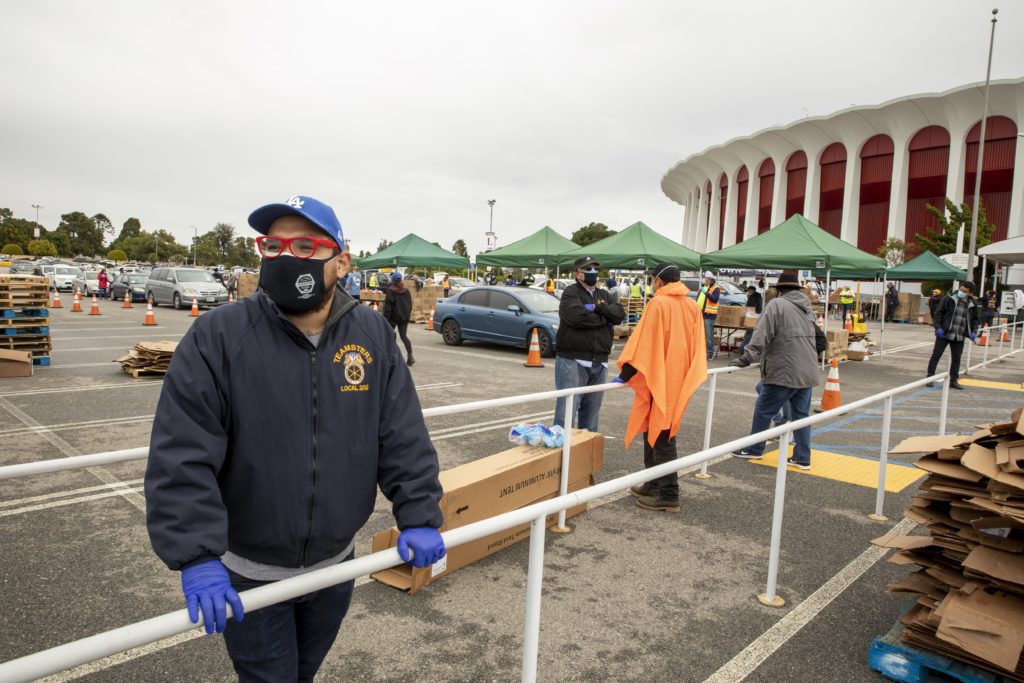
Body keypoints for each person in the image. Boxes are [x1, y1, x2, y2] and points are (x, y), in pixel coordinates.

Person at [144, 194, 444, 681]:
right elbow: (182, 452)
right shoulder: (218, 336)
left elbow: (401, 434)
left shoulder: (371, 335)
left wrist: (420, 514)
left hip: (334, 567)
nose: (286, 257)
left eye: (305, 246)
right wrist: (196, 555)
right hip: (251, 574)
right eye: (274, 245)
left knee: (303, 673)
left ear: (341, 262)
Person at [612, 263, 707, 512]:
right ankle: (654, 482)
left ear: (659, 281)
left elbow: (643, 343)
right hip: (678, 377)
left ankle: (668, 492)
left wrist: (625, 374)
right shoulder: (691, 305)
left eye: (653, 280)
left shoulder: (658, 304)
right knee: (654, 429)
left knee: (662, 434)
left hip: (660, 377)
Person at [728, 270, 820, 470]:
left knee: (764, 410)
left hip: (784, 369)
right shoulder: (807, 307)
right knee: (801, 416)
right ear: (796, 289)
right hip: (807, 369)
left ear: (779, 290)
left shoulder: (776, 305)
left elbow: (761, 333)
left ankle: (754, 448)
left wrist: (747, 357)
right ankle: (802, 457)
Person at [553, 255, 626, 432]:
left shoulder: (604, 295)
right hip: (573, 360)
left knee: (591, 415)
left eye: (595, 268)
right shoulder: (571, 293)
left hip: (599, 361)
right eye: (588, 269)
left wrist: (598, 308)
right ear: (578, 274)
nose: (593, 272)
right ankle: (561, 455)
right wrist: (605, 319)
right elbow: (577, 318)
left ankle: (585, 455)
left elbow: (618, 314)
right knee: (566, 414)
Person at [926, 281, 980, 391]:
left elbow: (975, 319)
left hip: (959, 335)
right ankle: (930, 378)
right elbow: (938, 314)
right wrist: (938, 328)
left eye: (965, 291)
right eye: (961, 289)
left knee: (957, 358)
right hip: (944, 333)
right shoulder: (949, 299)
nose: (961, 292)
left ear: (970, 293)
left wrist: (974, 331)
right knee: (936, 355)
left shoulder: (972, 304)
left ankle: (953, 380)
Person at [384, 271, 415, 366]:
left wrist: (385, 319)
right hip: (404, 318)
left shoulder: (390, 291)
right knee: (404, 337)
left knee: (388, 337)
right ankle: (410, 356)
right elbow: (410, 304)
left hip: (392, 318)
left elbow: (388, 307)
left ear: (392, 280)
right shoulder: (406, 290)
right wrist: (407, 315)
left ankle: (390, 358)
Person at [696, 271, 723, 361]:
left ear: (710, 279)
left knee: (709, 336)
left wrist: (706, 293)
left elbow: (715, 299)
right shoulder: (704, 287)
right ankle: (701, 352)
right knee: (700, 335)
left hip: (709, 315)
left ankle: (710, 354)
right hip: (701, 314)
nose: (705, 280)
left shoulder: (716, 288)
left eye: (706, 279)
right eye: (705, 278)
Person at [739, 285, 763, 353]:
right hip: (755, 317)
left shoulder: (753, 297)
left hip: (752, 318)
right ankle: (744, 349)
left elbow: (751, 308)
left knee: (749, 334)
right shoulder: (757, 296)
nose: (748, 293)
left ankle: (742, 349)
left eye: (748, 291)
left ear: (752, 290)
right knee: (749, 334)